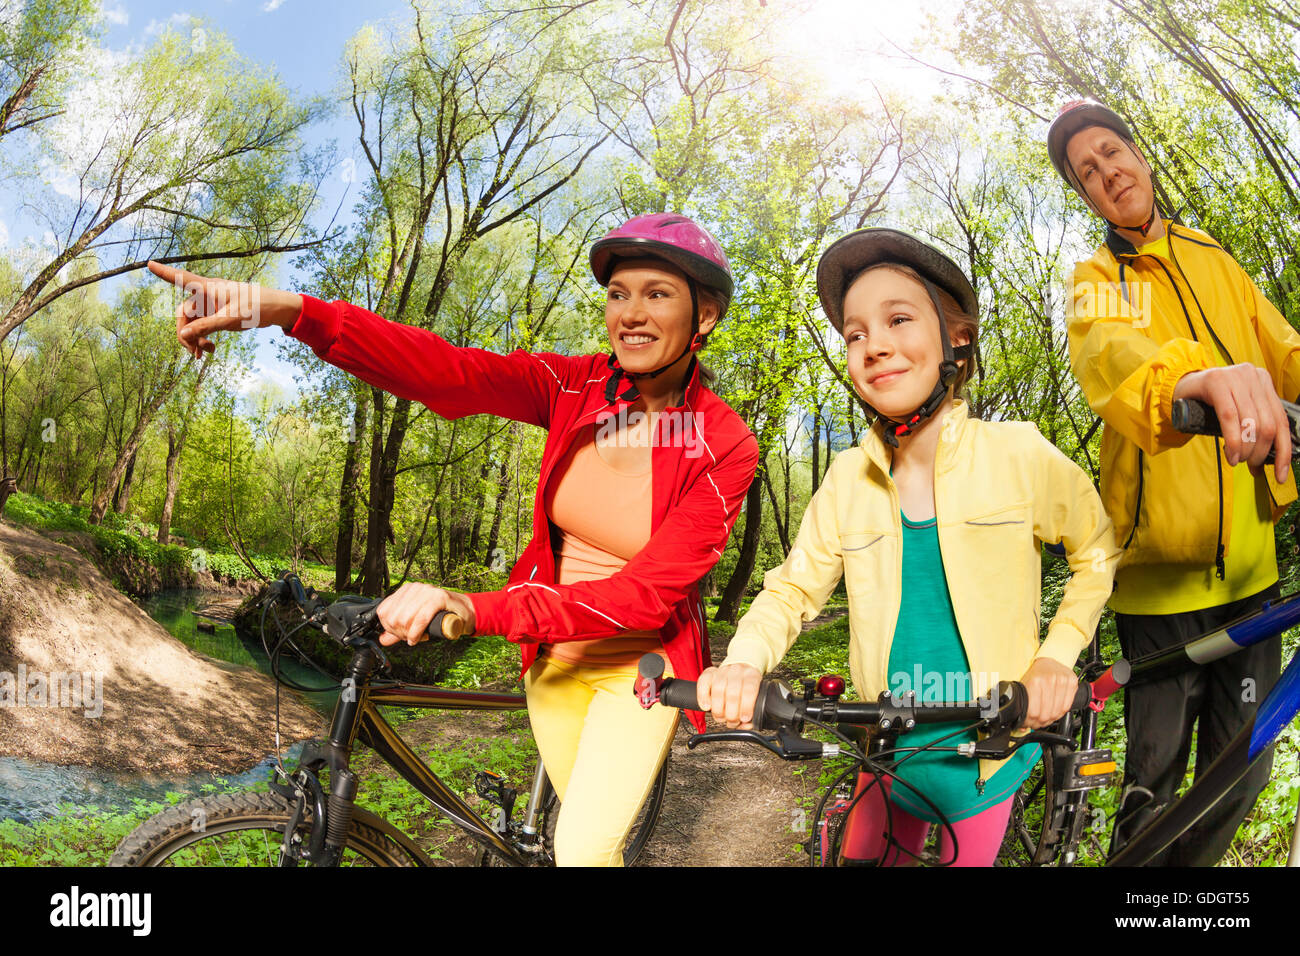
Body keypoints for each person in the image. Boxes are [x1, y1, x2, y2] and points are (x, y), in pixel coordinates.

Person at [149, 212, 759, 866]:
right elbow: (448, 373)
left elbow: (646, 595)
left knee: (582, 851)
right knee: (548, 844)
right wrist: (292, 312)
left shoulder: (725, 444)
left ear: (704, 317)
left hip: (640, 669)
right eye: (619, 293)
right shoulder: (572, 386)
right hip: (552, 657)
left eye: (657, 294)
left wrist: (474, 605)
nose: (631, 314)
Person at [695, 228, 1119, 866]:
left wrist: (1058, 656)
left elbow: (1097, 550)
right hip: (882, 751)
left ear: (957, 338)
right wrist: (744, 661)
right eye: (856, 334)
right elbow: (791, 589)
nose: (875, 346)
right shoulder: (846, 481)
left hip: (985, 763)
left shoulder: (1020, 454)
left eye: (898, 319)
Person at [1049, 98, 1300, 865]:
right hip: (1160, 589)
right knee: (1152, 789)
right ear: (1086, 195)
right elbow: (1110, 359)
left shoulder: (1214, 257)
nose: (1106, 172)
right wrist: (1198, 378)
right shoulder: (1097, 279)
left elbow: (1284, 350)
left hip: (1253, 573)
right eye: (1086, 172)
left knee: (1242, 771)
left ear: (1139, 155)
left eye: (1110, 152)